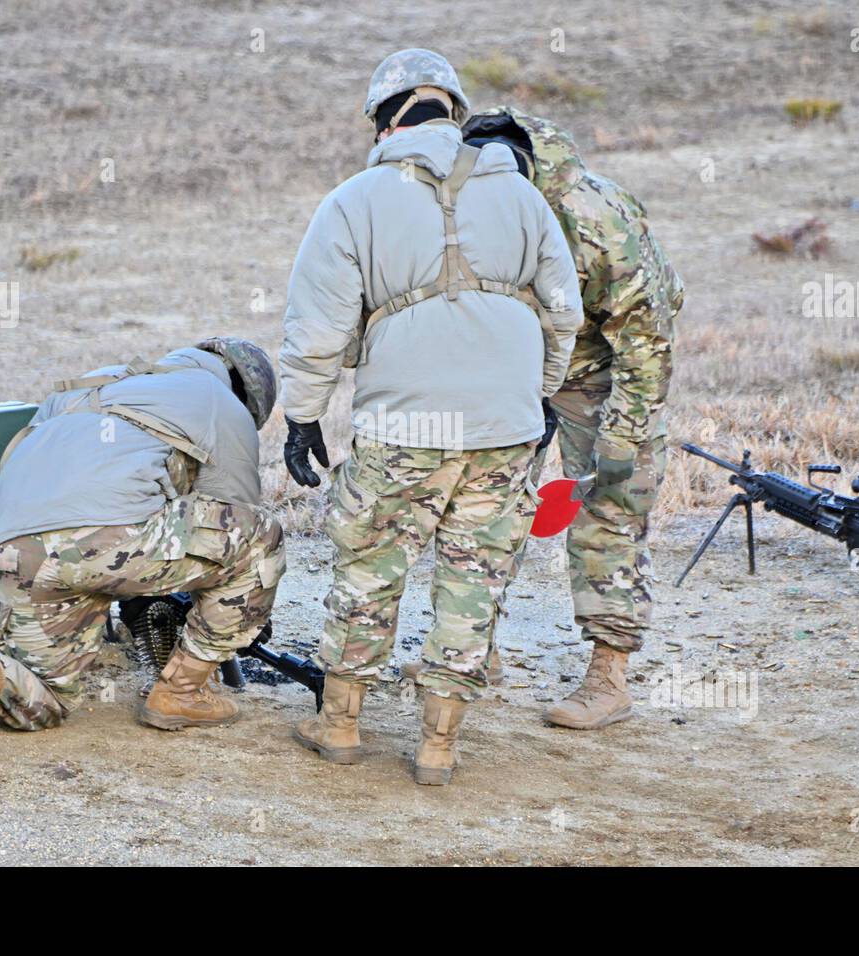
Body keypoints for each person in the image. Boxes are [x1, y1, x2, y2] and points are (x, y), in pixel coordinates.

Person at [277, 49, 582, 784]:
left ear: (385, 121)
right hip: (504, 428)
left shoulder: (353, 200)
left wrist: (303, 418)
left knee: (369, 569)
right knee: (474, 582)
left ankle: (341, 727)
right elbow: (565, 313)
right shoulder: (523, 195)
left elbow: (316, 331)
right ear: (452, 110)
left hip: (405, 428)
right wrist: (538, 395)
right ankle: (438, 748)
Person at [0, 338, 285, 757]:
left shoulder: (93, 382)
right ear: (246, 394)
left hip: (20, 548)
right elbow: (233, 513)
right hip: (108, 541)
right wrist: (242, 613)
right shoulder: (218, 400)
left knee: (47, 699)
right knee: (261, 539)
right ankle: (181, 692)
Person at [458, 107, 685, 729]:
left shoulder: (596, 222)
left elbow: (647, 341)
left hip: (604, 365)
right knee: (482, 501)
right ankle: (471, 652)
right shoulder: (459, 198)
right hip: (517, 366)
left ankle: (607, 677)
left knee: (611, 508)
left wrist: (623, 436)